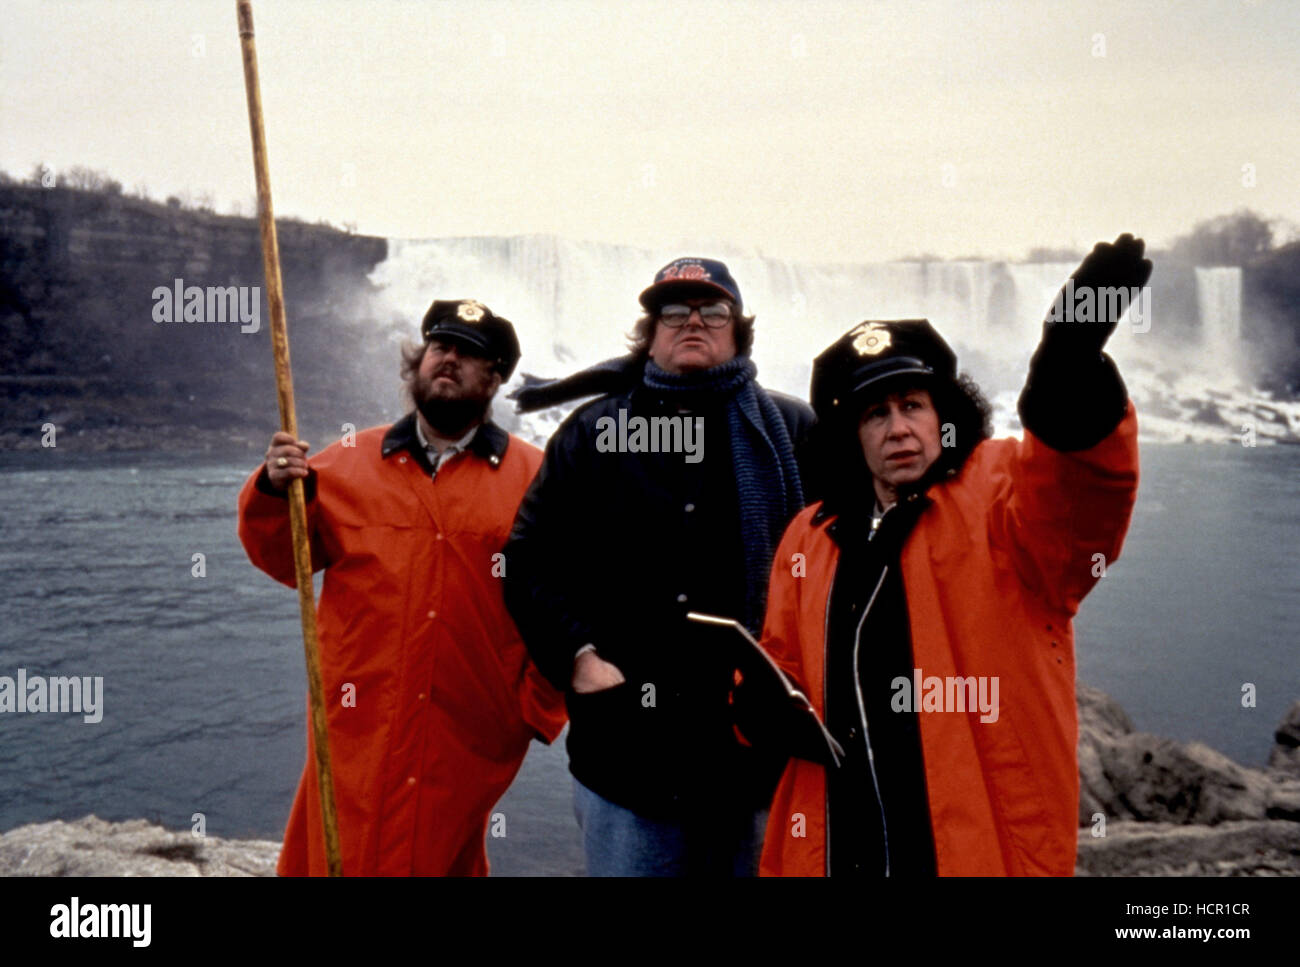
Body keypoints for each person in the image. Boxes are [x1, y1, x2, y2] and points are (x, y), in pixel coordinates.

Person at [752, 234, 1150, 876]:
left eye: (913, 405)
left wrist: (1067, 366)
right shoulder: (810, 534)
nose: (899, 428)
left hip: (973, 849)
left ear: (947, 416)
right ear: (852, 438)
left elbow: (1080, 493)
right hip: (839, 841)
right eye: (875, 415)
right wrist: (756, 704)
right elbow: (779, 661)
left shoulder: (1001, 494)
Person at [503, 257, 813, 876]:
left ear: (737, 329)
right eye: (673, 312)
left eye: (712, 311)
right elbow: (527, 560)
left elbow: (842, 563)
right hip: (628, 758)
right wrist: (578, 659)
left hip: (754, 755)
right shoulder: (595, 431)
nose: (692, 322)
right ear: (650, 332)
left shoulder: (793, 429)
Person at [237, 298, 564, 876]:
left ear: (494, 378)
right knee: (341, 853)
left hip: (468, 733)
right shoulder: (342, 464)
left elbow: (572, 599)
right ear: (417, 361)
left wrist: (531, 711)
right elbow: (285, 561)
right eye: (441, 347)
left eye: (470, 355)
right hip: (355, 719)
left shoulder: (537, 481)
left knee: (440, 856)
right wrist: (271, 487)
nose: (449, 359)